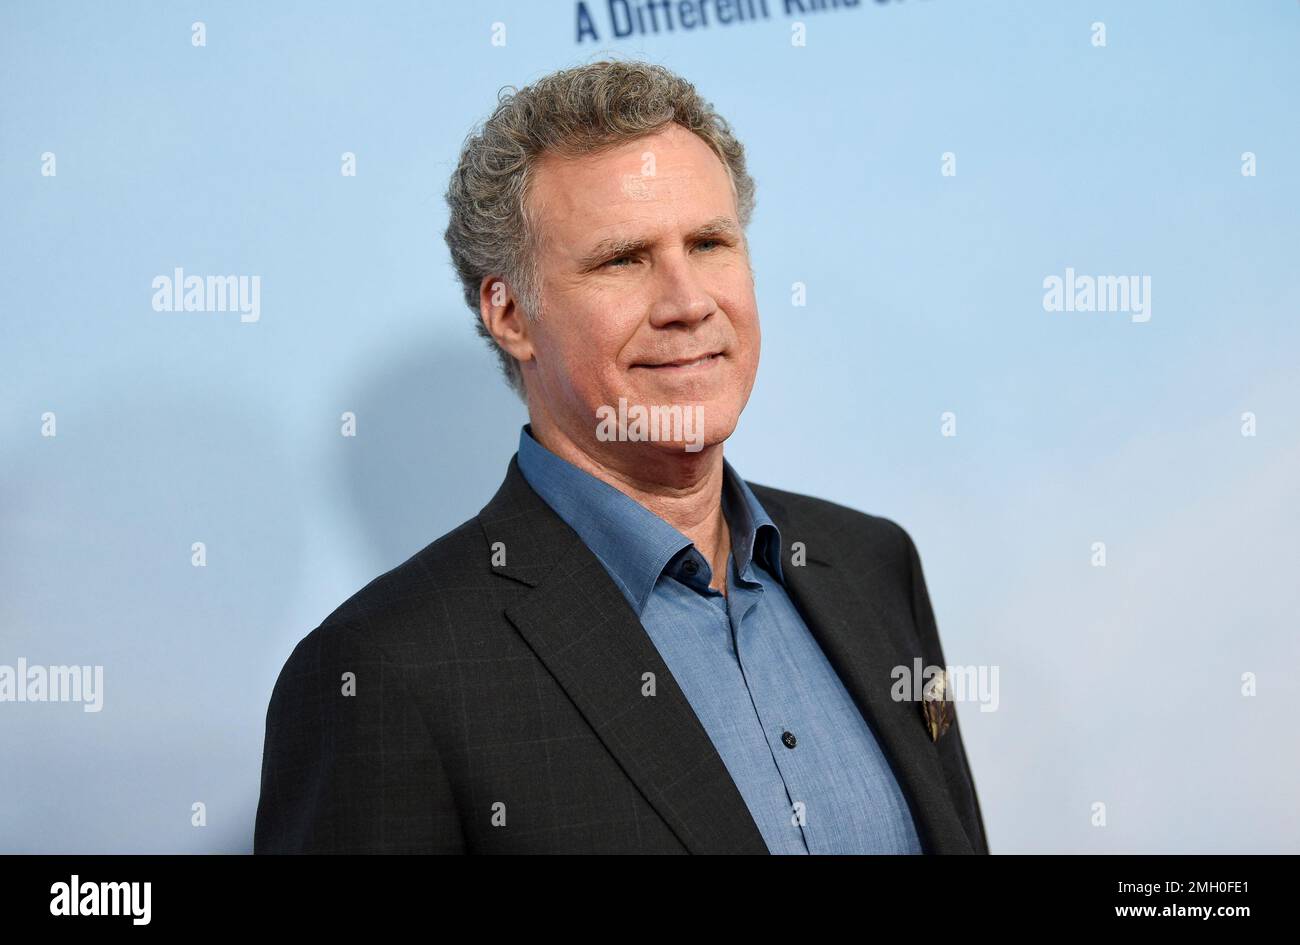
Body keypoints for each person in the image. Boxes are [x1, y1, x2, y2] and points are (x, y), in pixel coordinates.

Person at [254, 59, 988, 854]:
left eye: (709, 243)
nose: (687, 303)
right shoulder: (384, 672)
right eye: (623, 259)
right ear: (510, 315)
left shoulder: (874, 565)